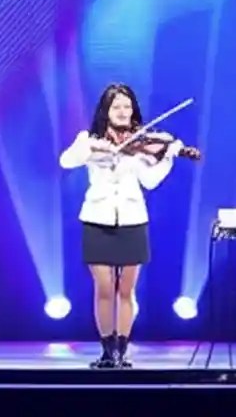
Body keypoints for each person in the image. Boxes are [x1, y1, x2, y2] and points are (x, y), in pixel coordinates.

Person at [59, 83, 185, 369]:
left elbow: (150, 181)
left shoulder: (140, 142)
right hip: (97, 217)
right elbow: (66, 162)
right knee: (104, 287)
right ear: (106, 110)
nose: (122, 112)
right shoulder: (88, 139)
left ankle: (122, 350)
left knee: (126, 291)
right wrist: (89, 147)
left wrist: (167, 157)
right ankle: (106, 351)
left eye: (127, 107)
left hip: (132, 219)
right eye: (116, 106)